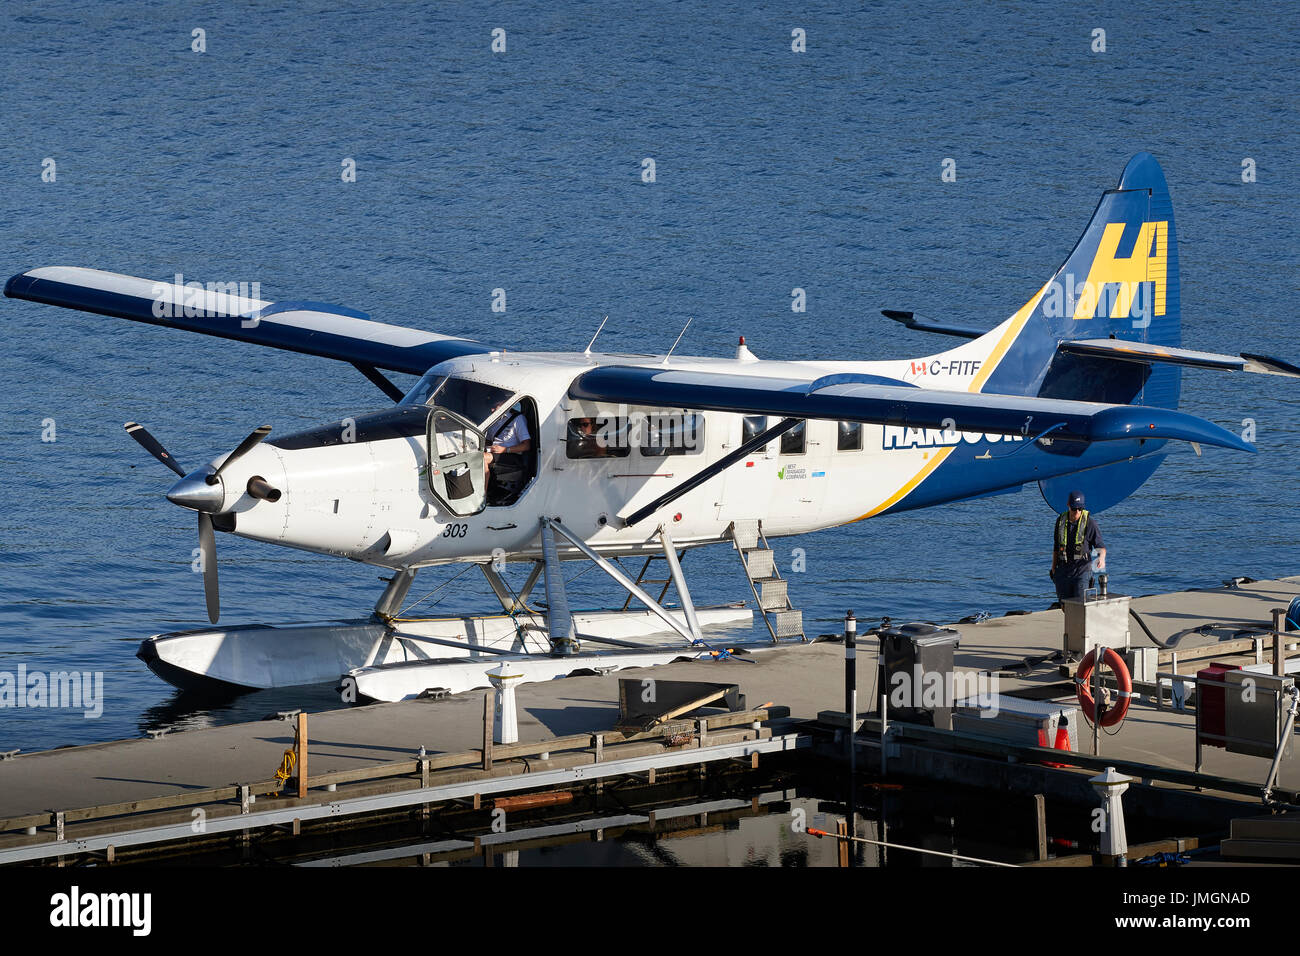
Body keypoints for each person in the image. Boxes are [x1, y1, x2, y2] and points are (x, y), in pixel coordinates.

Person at [1051, 490, 1106, 602]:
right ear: (1068, 505)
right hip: (1063, 570)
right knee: (1064, 604)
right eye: (1074, 508)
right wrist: (1053, 568)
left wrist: (1101, 558)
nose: (1077, 511)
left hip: (1082, 570)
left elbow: (1101, 547)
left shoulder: (1090, 523)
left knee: (1080, 604)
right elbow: (1056, 547)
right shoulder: (1060, 522)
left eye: (1080, 509)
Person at [483, 402, 532, 499]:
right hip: (494, 452)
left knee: (482, 458)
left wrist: (505, 449)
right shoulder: (494, 420)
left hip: (511, 455)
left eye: (494, 407)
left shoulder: (518, 419)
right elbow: (488, 441)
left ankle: (481, 496)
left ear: (504, 404)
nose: (492, 410)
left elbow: (526, 446)